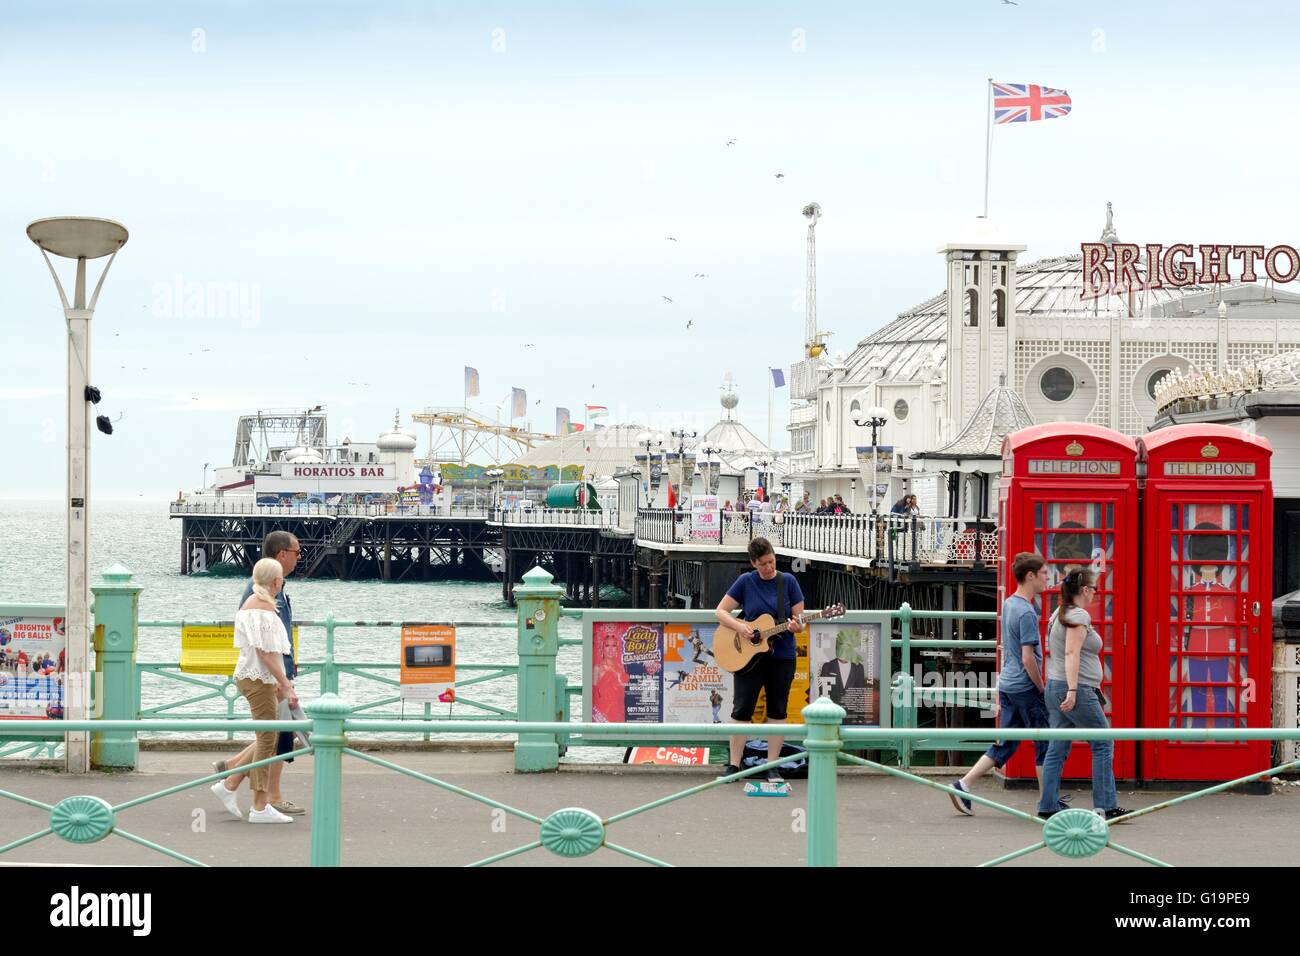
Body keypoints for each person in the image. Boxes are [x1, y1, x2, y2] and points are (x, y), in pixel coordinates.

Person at [949, 552, 1060, 815]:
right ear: (1030, 576)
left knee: (1006, 742)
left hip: (1007, 684)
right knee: (1046, 742)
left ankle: (963, 784)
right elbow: (1027, 657)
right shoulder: (1027, 613)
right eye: (1044, 573)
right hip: (1025, 686)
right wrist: (1041, 686)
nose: (1047, 577)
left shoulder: (1010, 603)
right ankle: (1047, 804)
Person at [213, 531, 305, 817]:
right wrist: (285, 682)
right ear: (281, 555)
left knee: (275, 735)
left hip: (270, 674)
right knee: (274, 737)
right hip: (266, 675)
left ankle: (233, 776)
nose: (299, 557)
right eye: (297, 552)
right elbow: (264, 649)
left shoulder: (265, 593)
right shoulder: (261, 599)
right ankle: (262, 800)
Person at [1038, 567, 1130, 821]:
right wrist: (1073, 689)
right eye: (1095, 590)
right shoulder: (1079, 615)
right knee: (1102, 743)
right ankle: (1105, 806)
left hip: (1055, 686)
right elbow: (1071, 653)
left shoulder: (1059, 613)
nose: (1096, 594)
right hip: (1076, 690)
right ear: (1086, 590)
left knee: (1057, 747)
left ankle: (1047, 805)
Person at [714, 538, 805, 783]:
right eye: (763, 564)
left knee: (778, 709)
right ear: (753, 563)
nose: (769, 567)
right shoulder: (746, 582)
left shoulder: (788, 582)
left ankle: (773, 765)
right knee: (742, 708)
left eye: (771, 561)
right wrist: (741, 627)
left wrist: (797, 627)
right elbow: (720, 611)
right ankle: (734, 764)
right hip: (748, 657)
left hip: (782, 656)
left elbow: (800, 620)